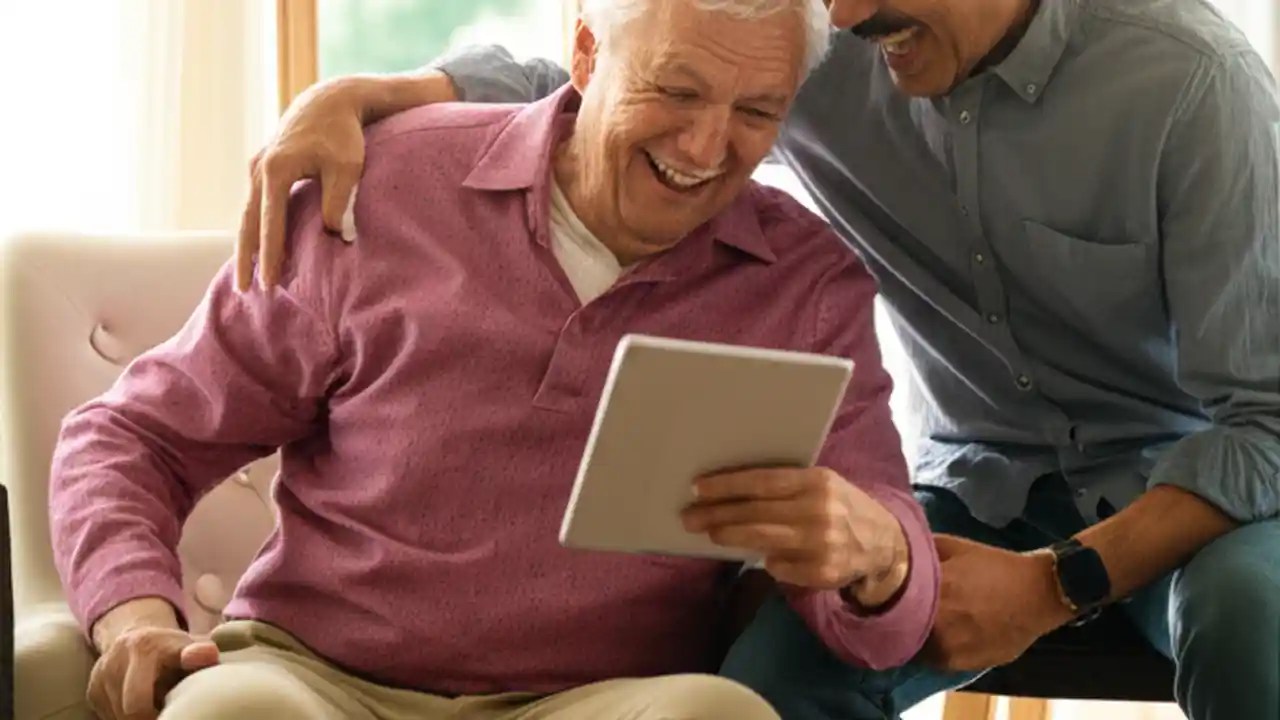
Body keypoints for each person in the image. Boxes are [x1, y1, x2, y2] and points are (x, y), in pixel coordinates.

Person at [243, 0, 1280, 718]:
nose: (829, 19)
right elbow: (609, 64)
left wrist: (1055, 586)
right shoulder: (837, 36)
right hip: (969, 483)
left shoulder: (1190, 82)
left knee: (1250, 617)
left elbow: (1264, 423)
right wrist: (360, 95)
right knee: (756, 694)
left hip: (1185, 494)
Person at [51, 1, 941, 719]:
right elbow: (133, 437)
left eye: (755, 113)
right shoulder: (382, 188)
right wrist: (134, 619)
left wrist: (884, 561)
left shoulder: (808, 287)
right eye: (676, 92)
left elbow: (887, 592)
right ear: (588, 55)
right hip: (312, 676)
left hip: (608, 698)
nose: (707, 149)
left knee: (721, 715)